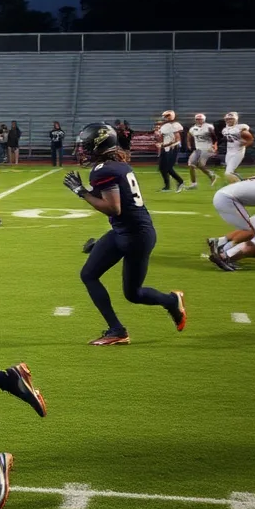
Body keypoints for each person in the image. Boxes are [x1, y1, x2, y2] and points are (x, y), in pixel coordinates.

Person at [63, 122, 187, 345]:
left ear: (99, 145)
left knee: (133, 294)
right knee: (89, 274)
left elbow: (113, 208)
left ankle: (170, 301)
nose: (82, 150)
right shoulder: (116, 165)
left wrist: (81, 192)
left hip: (134, 237)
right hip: (127, 231)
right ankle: (117, 329)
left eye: (87, 145)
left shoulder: (104, 170)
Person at [185, 113, 218, 188]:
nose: (199, 121)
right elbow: (189, 136)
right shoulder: (193, 128)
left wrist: (215, 145)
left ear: (204, 119)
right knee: (191, 165)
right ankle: (194, 184)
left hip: (208, 148)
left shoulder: (209, 127)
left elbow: (215, 137)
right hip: (198, 149)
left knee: (200, 164)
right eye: (197, 119)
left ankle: (211, 175)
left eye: (200, 119)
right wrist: (189, 144)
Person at [156, 110, 185, 192]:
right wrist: (160, 144)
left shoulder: (176, 125)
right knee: (162, 168)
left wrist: (166, 144)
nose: (165, 118)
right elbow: (162, 137)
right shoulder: (164, 126)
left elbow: (177, 139)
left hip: (172, 148)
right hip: (165, 148)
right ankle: (167, 186)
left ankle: (180, 181)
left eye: (167, 116)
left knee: (168, 168)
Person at [220, 111, 252, 183]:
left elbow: (251, 140)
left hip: (238, 152)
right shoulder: (224, 130)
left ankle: (241, 184)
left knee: (228, 173)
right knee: (231, 171)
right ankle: (237, 184)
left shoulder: (241, 128)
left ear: (236, 119)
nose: (229, 120)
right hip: (229, 152)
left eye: (231, 119)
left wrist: (245, 144)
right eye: (227, 119)